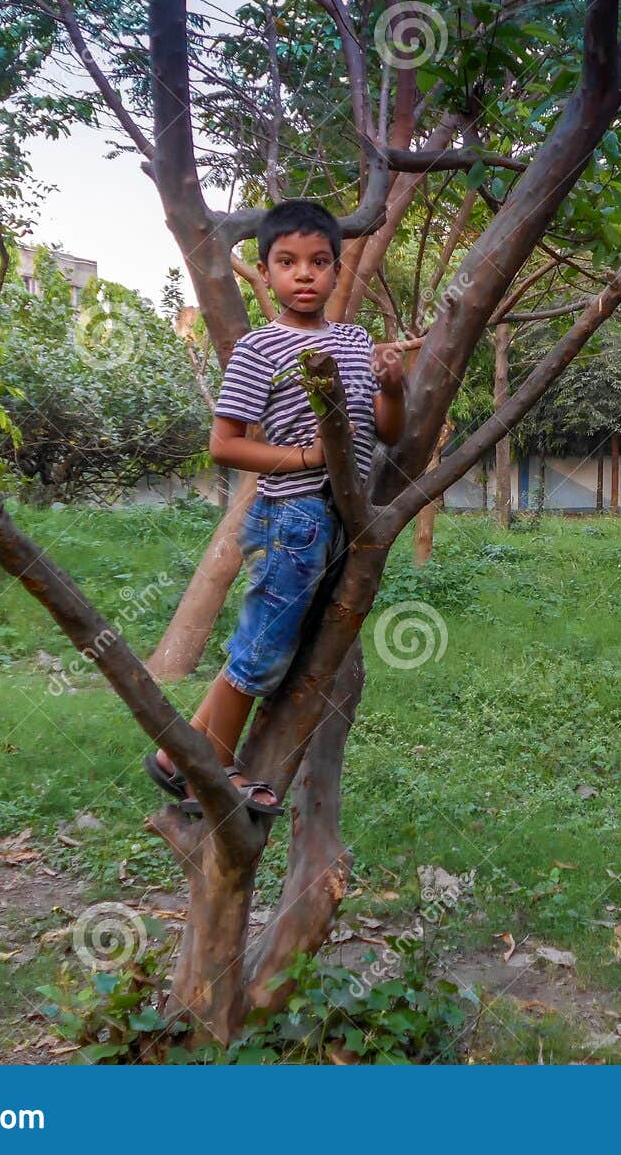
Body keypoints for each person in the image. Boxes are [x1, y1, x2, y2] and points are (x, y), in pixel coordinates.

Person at [144, 199, 406, 818]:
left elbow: (389, 432)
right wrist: (306, 458)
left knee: (263, 640)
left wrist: (393, 386)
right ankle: (209, 765)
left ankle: (174, 755)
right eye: (288, 262)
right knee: (263, 649)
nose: (305, 274)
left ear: (338, 271)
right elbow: (225, 444)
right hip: (293, 517)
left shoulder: (354, 340)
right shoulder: (259, 349)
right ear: (266, 272)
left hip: (341, 517)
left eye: (319, 261)